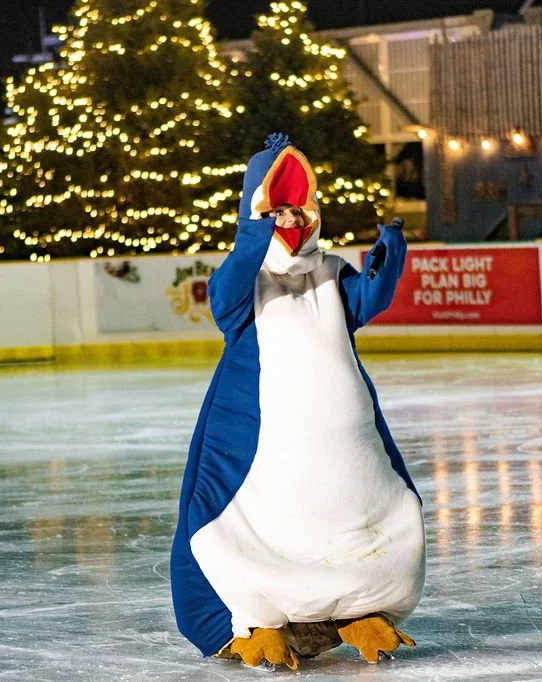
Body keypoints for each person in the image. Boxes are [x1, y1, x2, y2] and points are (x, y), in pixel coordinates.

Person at [170, 133, 424, 670]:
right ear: (254, 214)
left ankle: (362, 607)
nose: (288, 220)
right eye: (274, 209)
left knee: (365, 518)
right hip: (267, 456)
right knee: (255, 529)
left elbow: (370, 298)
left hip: (344, 454)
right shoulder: (247, 286)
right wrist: (254, 235)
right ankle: (258, 621)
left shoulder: (331, 274)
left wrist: (388, 254)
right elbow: (226, 291)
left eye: (297, 208)